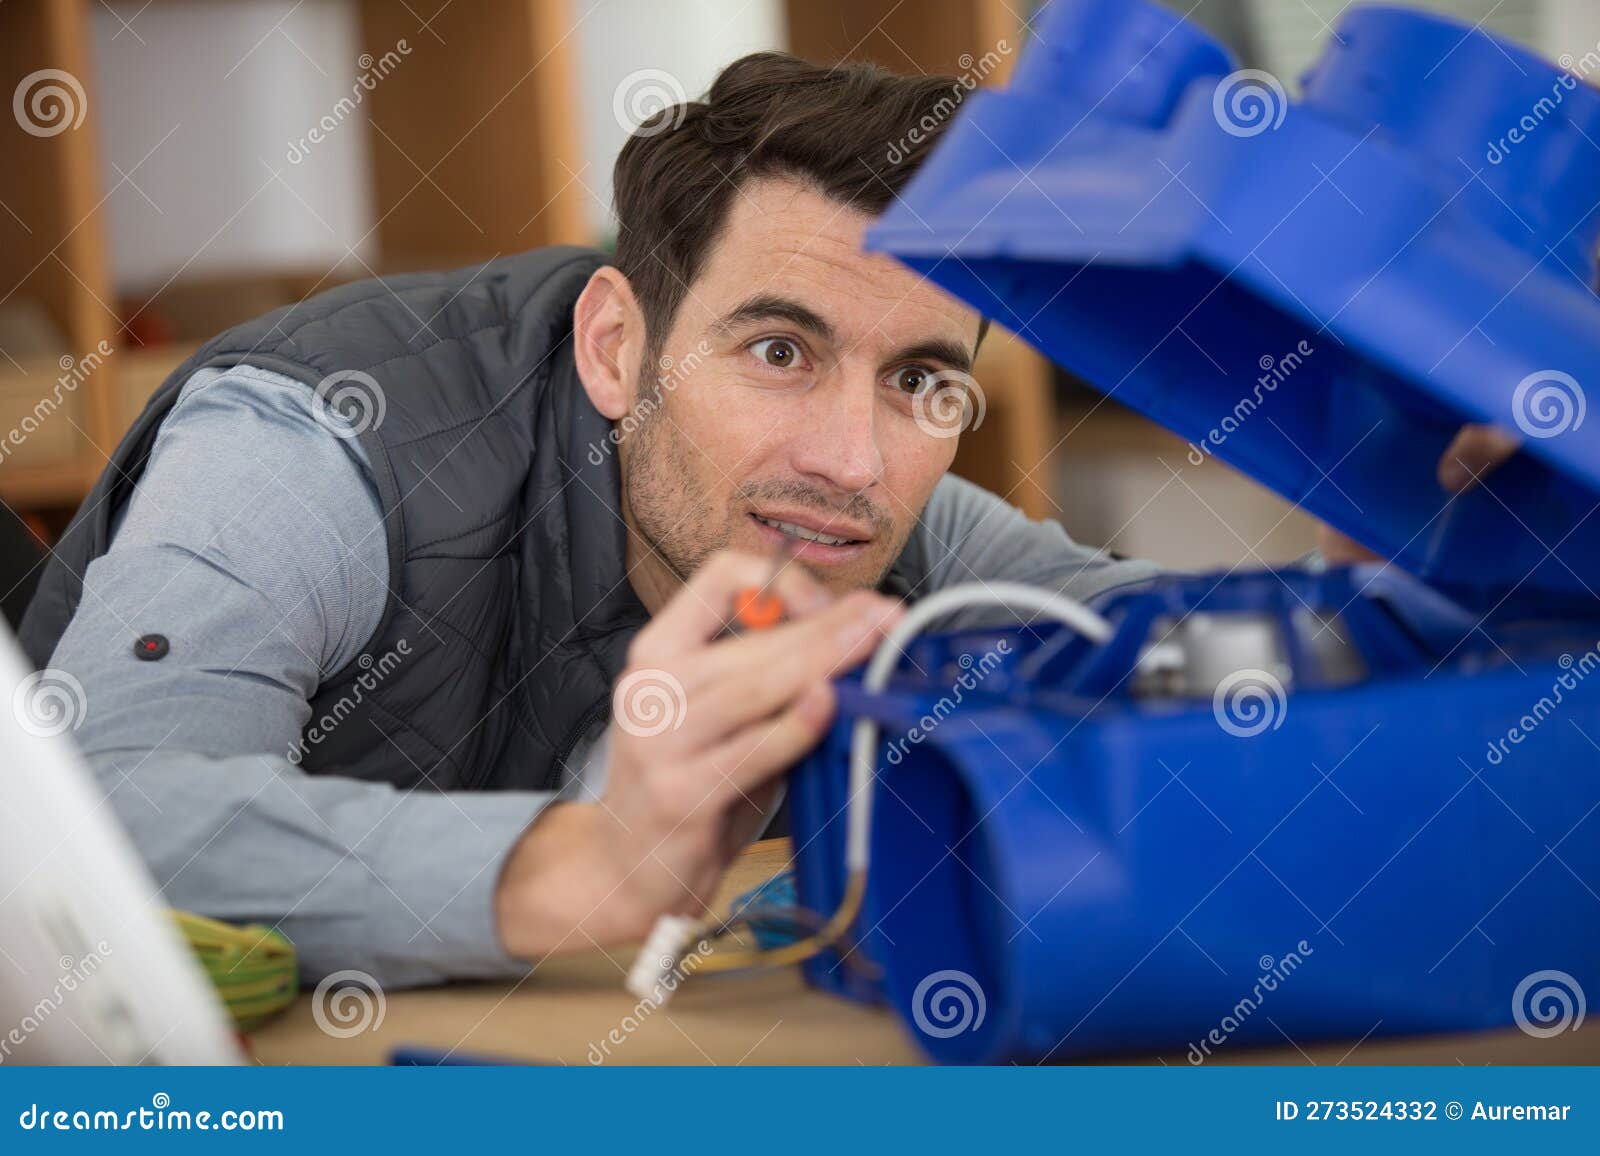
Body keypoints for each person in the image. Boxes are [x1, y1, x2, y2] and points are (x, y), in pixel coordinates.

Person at [17, 53, 1512, 988]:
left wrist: (1413, 578)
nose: (854, 460)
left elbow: (1158, 661)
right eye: (780, 351)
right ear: (618, 348)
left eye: (923, 378)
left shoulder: (891, 521)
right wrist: (583, 866)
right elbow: (98, 814)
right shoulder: (315, 438)